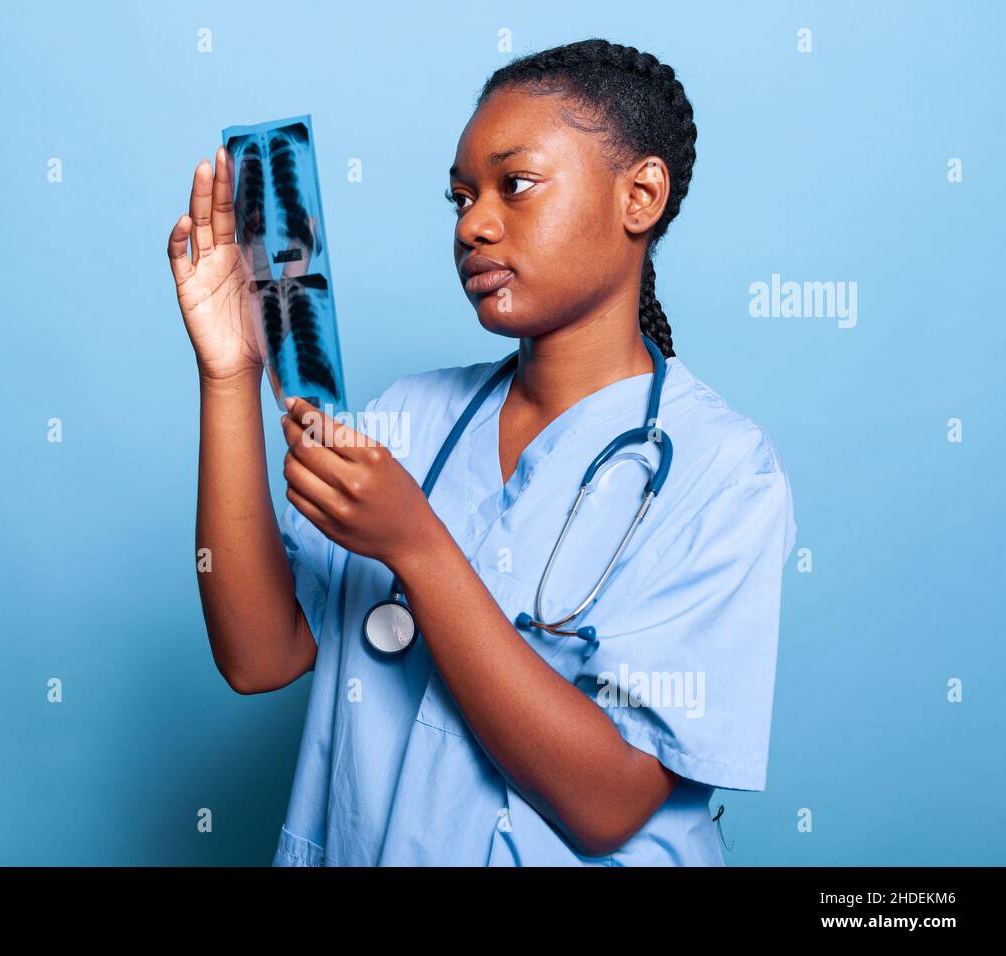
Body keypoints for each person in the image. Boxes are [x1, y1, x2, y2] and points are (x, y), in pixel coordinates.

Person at [167, 38, 797, 866]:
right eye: (460, 197)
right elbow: (259, 657)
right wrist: (228, 377)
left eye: (516, 185)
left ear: (639, 195)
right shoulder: (408, 419)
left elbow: (609, 804)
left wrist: (416, 545)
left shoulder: (722, 474)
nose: (474, 224)